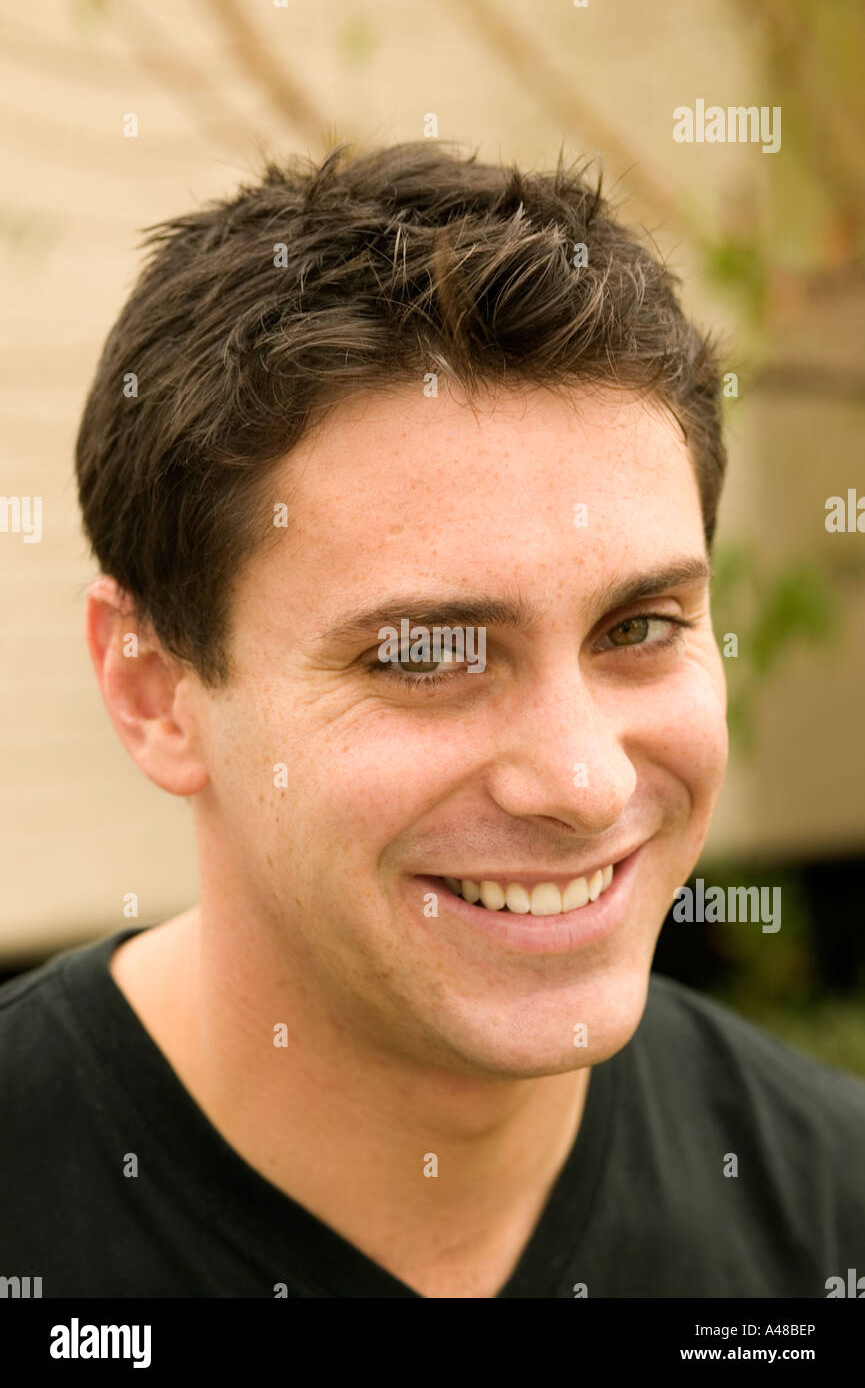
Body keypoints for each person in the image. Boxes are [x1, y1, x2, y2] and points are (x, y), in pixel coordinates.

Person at [1, 142, 862, 1300]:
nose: (583, 783)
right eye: (426, 655)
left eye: (638, 628)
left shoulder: (829, 1211)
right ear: (154, 689)